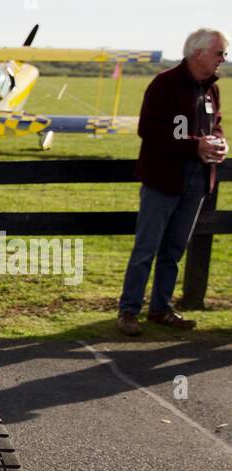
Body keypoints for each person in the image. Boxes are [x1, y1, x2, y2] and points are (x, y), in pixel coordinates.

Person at [117, 28, 226, 336]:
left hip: (197, 181)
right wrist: (195, 146)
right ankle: (128, 311)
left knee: (175, 248)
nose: (223, 59)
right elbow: (148, 130)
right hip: (162, 180)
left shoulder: (211, 90)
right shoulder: (164, 84)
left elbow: (215, 125)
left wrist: (219, 143)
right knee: (146, 248)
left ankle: (161, 308)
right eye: (219, 53)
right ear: (198, 53)